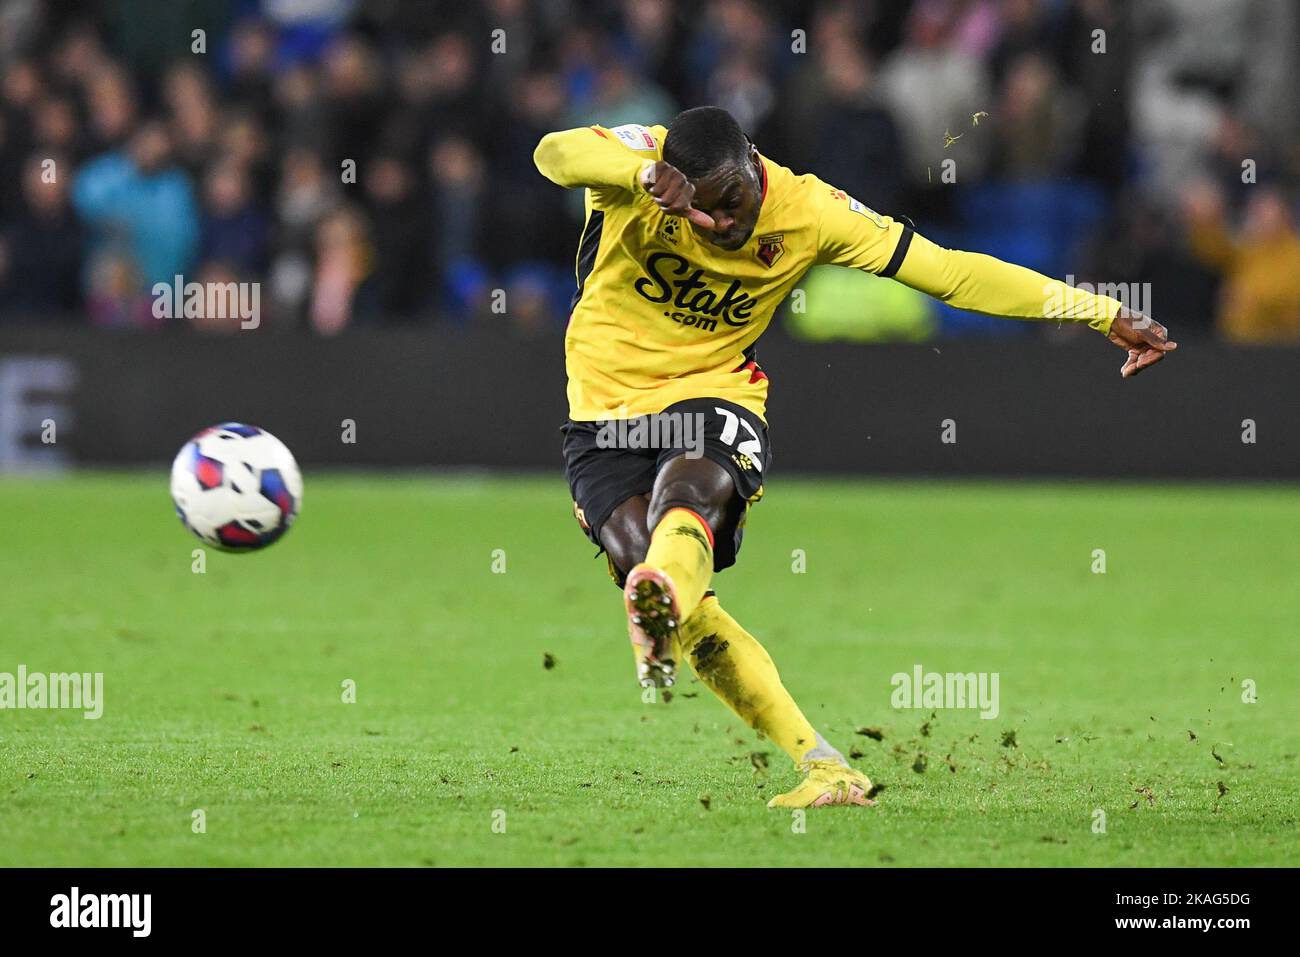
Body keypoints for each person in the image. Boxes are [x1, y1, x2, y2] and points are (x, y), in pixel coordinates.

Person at [533, 105, 1175, 809]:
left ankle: (659, 592)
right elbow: (554, 154)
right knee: (662, 584)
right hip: (602, 413)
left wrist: (1097, 311)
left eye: (734, 203)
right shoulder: (640, 165)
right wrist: (641, 174)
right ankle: (825, 764)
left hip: (712, 390)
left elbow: (952, 272)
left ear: (752, 162)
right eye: (704, 213)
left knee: (690, 498)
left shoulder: (813, 210)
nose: (723, 225)